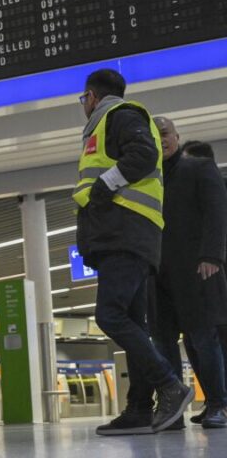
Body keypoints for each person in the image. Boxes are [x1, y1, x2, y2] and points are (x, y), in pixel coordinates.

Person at [72, 68, 193, 435]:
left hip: (124, 234)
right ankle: (139, 408)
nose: (84, 105)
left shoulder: (119, 115)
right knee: (134, 321)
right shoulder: (106, 123)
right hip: (125, 235)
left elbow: (143, 152)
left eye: (83, 99)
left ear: (91, 96)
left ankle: (170, 385)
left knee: (109, 314)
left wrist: (104, 188)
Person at [149, 117, 227, 428]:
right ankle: (174, 410)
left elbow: (216, 212)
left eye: (165, 133)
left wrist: (211, 255)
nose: (162, 139)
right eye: (155, 136)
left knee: (202, 338)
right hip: (157, 271)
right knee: (164, 341)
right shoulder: (146, 179)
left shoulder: (198, 168)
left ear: (177, 136)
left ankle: (218, 403)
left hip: (195, 269)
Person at [179, 140, 227, 424]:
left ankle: (218, 403)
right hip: (199, 279)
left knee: (213, 340)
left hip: (214, 278)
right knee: (196, 340)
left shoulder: (214, 190)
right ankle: (213, 401)